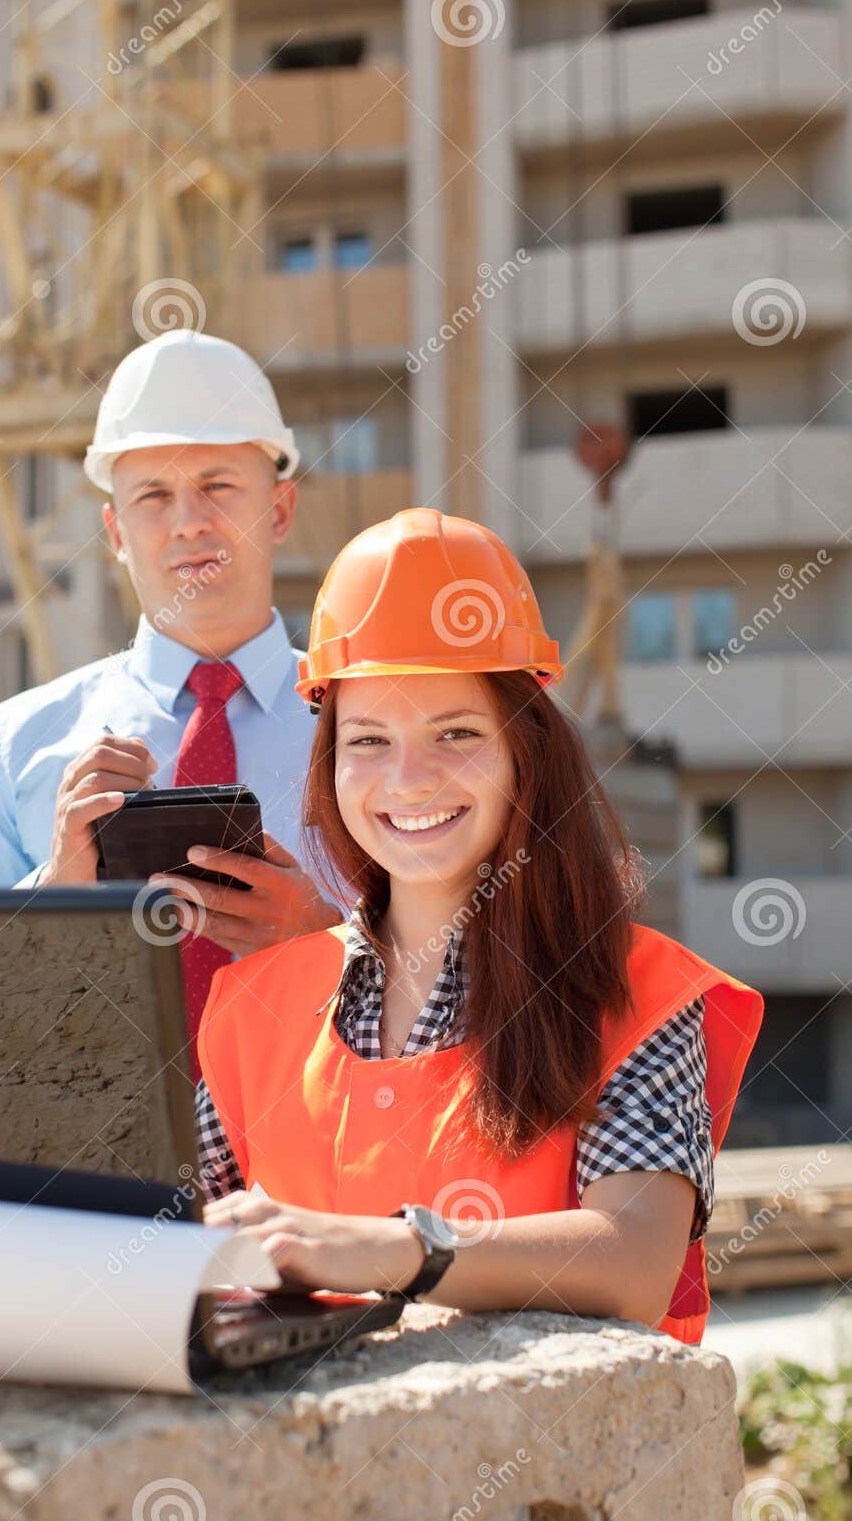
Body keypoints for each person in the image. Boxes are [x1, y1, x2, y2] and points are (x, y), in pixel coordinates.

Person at [195, 508, 764, 1342]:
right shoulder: (252, 1006)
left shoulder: (637, 993)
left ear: (525, 753)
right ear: (328, 762)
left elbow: (634, 1262)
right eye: (368, 739)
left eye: (456, 733)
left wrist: (396, 1250)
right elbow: (188, 1254)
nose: (408, 779)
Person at [0, 330, 342, 1058]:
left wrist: (326, 945)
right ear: (113, 529)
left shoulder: (380, 736)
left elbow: (494, 972)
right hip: (79, 1160)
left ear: (278, 509)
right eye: (152, 495)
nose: (187, 521)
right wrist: (55, 897)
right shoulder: (9, 748)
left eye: (217, 484)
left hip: (322, 1160)